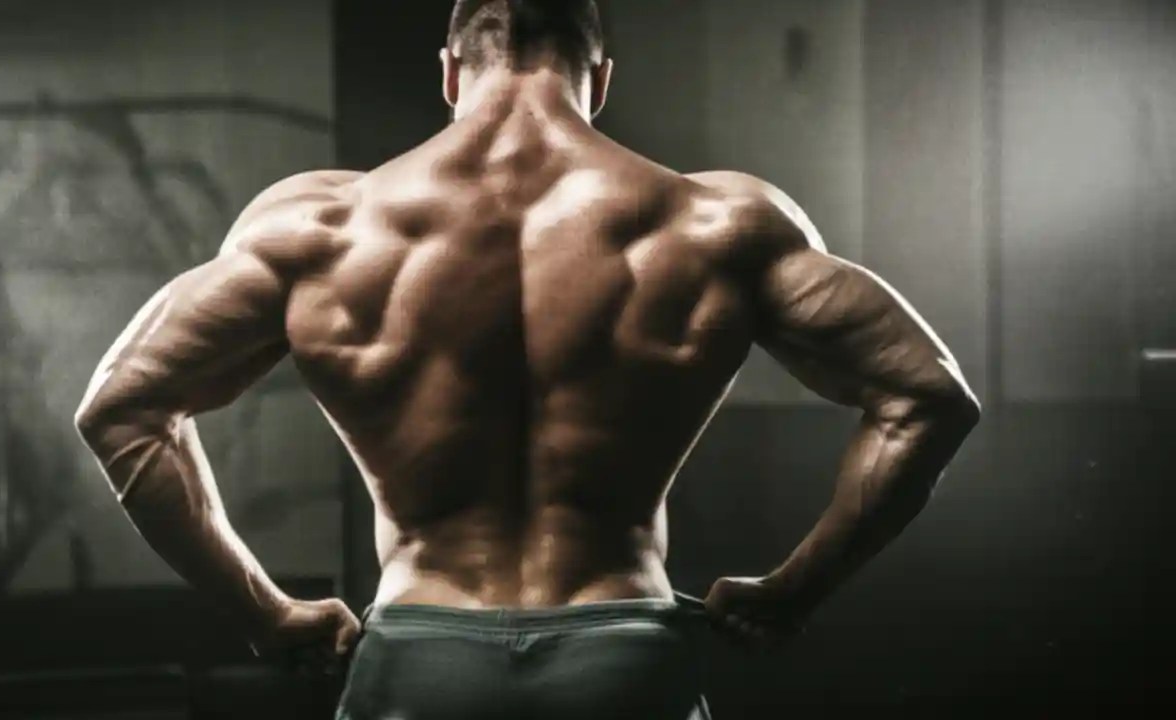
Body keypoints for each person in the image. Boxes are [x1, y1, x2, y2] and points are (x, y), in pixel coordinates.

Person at [74, 1, 981, 717]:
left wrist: (262, 611)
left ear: (447, 70)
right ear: (602, 74)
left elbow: (122, 410)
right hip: (624, 655)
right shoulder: (716, 224)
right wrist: (795, 590)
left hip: (420, 662)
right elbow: (928, 398)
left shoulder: (319, 228)